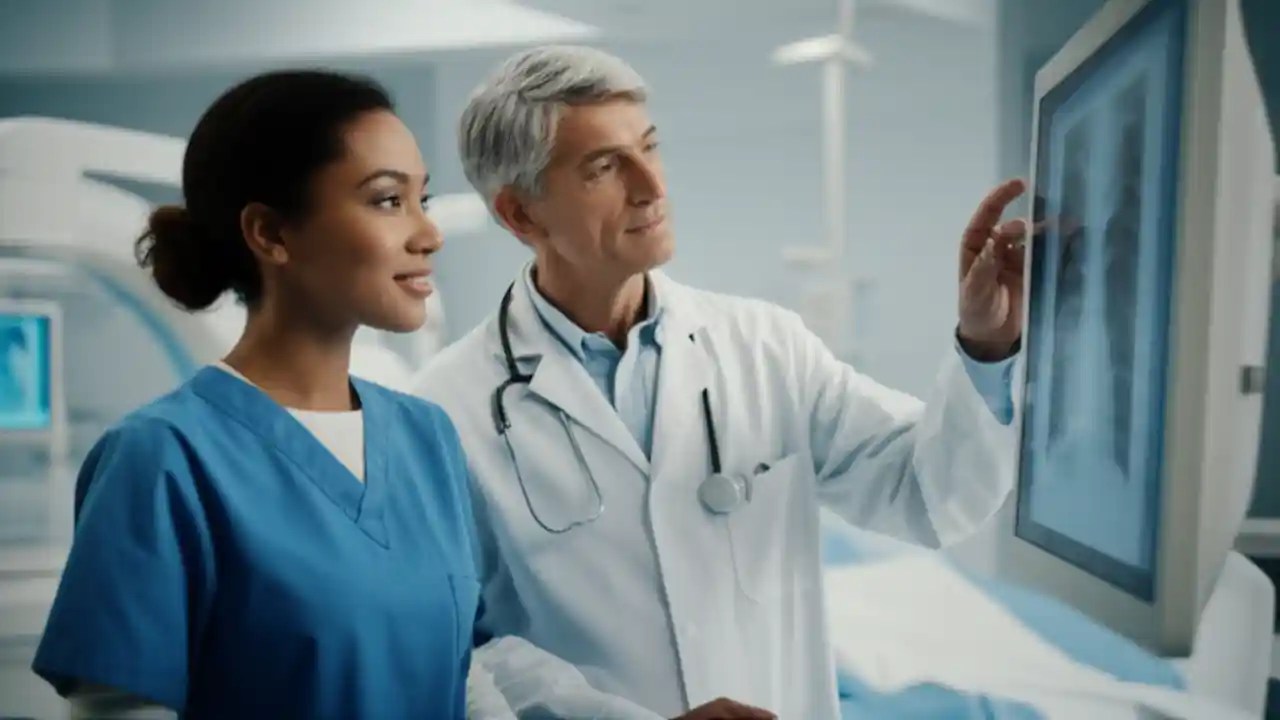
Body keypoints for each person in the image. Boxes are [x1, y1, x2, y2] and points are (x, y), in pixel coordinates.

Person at [413, 45, 1028, 720]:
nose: (652, 185)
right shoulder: (446, 410)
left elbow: (930, 495)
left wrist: (987, 343)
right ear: (520, 216)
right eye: (604, 168)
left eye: (650, 148)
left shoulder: (766, 347)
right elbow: (462, 649)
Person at [32, 69, 482, 719]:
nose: (428, 233)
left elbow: (461, 675)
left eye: (424, 200)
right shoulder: (163, 459)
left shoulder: (426, 437)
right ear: (270, 233)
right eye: (388, 200)